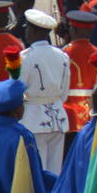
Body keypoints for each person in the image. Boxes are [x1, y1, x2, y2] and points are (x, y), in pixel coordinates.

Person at [18, 10, 69, 172]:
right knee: (55, 170)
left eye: (27, 29)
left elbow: (18, 88)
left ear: (33, 31)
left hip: (33, 116)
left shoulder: (26, 57)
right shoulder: (62, 55)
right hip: (58, 116)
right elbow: (64, 92)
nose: (25, 32)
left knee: (37, 169)